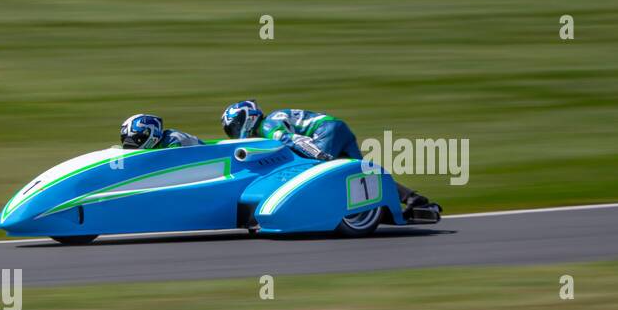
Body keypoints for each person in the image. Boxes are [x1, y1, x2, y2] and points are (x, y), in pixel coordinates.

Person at [220, 100, 439, 218]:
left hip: (326, 131)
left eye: (236, 126)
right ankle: (414, 200)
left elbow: (295, 141)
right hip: (336, 127)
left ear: (247, 118)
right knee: (364, 173)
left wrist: (320, 156)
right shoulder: (266, 127)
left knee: (309, 168)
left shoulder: (267, 127)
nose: (236, 132)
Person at [119, 113, 203, 150]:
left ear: (153, 134)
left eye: (136, 139)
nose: (129, 144)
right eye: (125, 139)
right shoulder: (154, 145)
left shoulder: (174, 141)